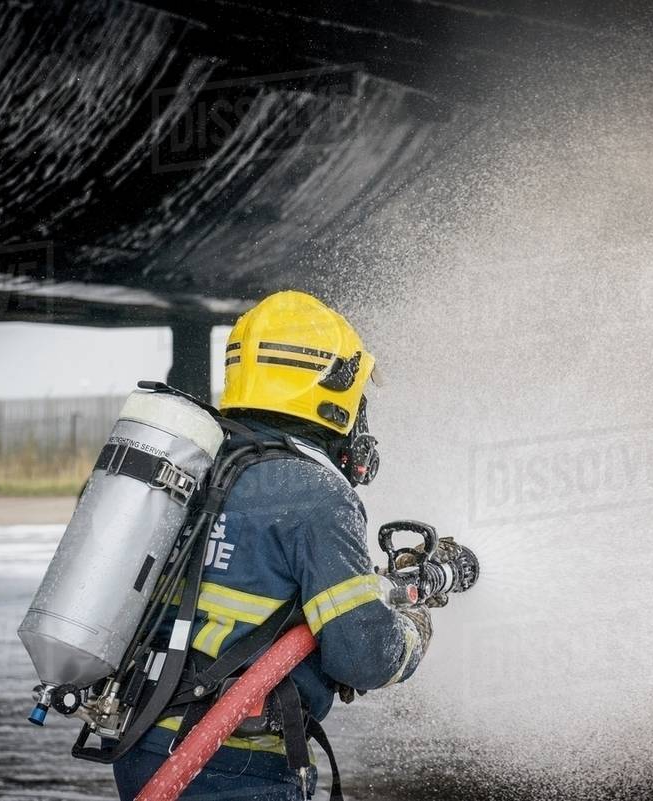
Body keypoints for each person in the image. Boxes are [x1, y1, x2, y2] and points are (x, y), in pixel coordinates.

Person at [113, 290, 432, 800]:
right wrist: (414, 628)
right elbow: (364, 657)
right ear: (329, 388)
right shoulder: (317, 495)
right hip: (229, 761)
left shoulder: (203, 462)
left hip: (143, 741)